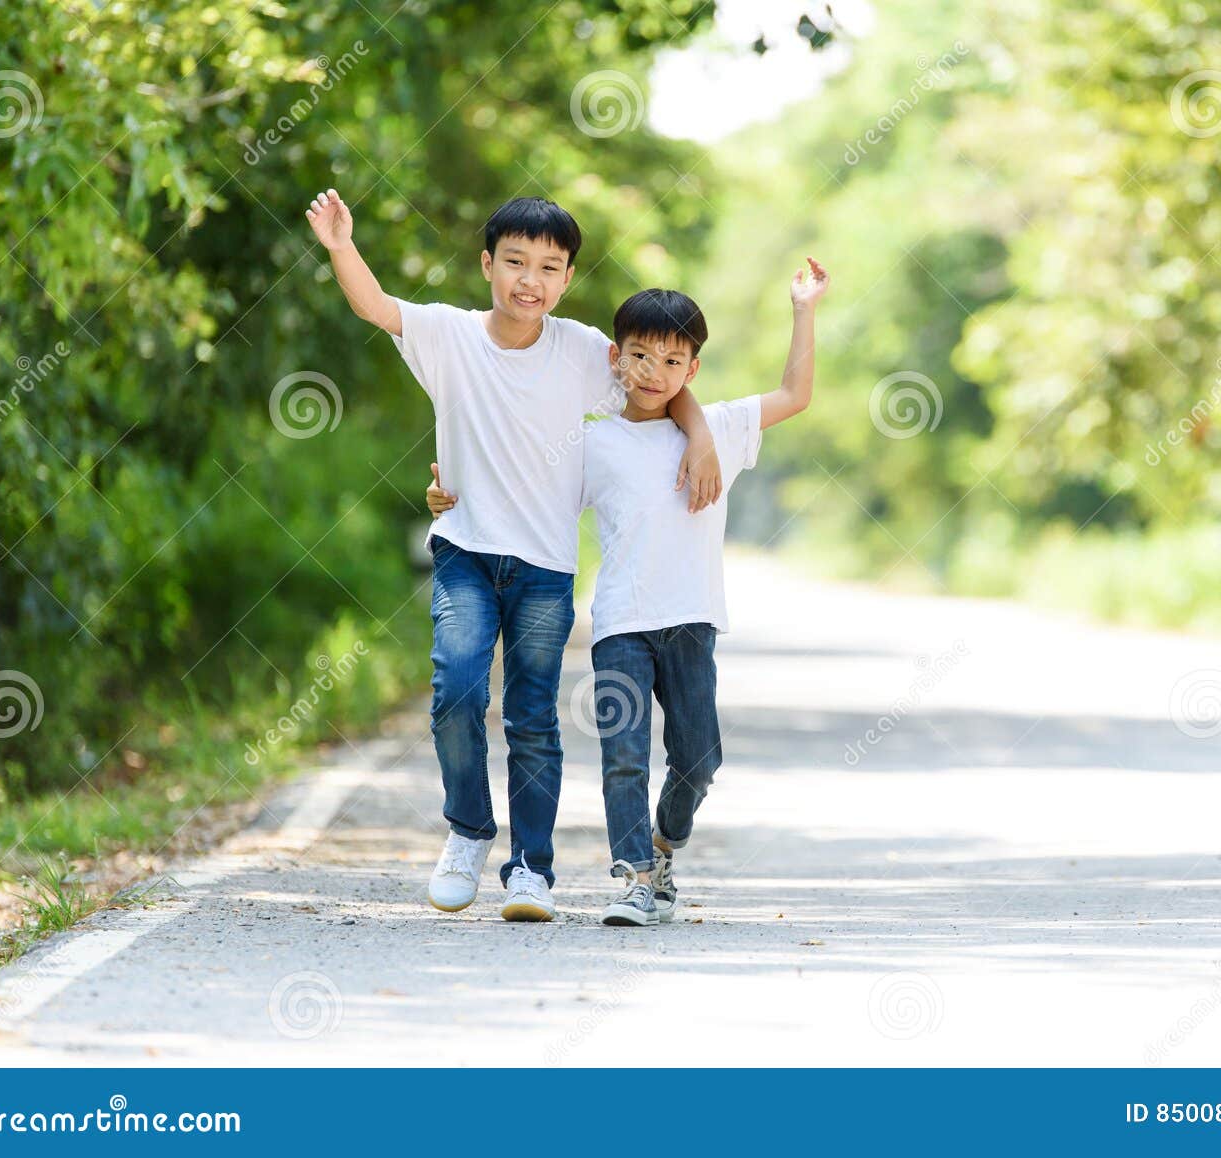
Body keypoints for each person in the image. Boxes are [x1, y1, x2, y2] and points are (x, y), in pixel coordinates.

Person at [305, 188, 724, 921]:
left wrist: (703, 434)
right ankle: (467, 830)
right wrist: (342, 246)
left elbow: (661, 381)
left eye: (550, 267)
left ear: (567, 280)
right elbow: (376, 305)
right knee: (457, 692)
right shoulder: (448, 335)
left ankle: (531, 868)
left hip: (545, 566)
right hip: (466, 549)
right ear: (487, 264)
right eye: (516, 261)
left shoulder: (585, 352)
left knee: (533, 716)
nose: (530, 279)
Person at [428, 259, 831, 925]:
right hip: (619, 626)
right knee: (623, 759)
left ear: (692, 371)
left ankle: (666, 845)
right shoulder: (588, 438)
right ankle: (635, 878)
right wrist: (448, 491)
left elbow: (796, 394)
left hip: (693, 621)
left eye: (673, 361)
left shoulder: (722, 430)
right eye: (639, 355)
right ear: (615, 357)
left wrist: (803, 310)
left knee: (699, 758)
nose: (653, 372)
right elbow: (519, 479)